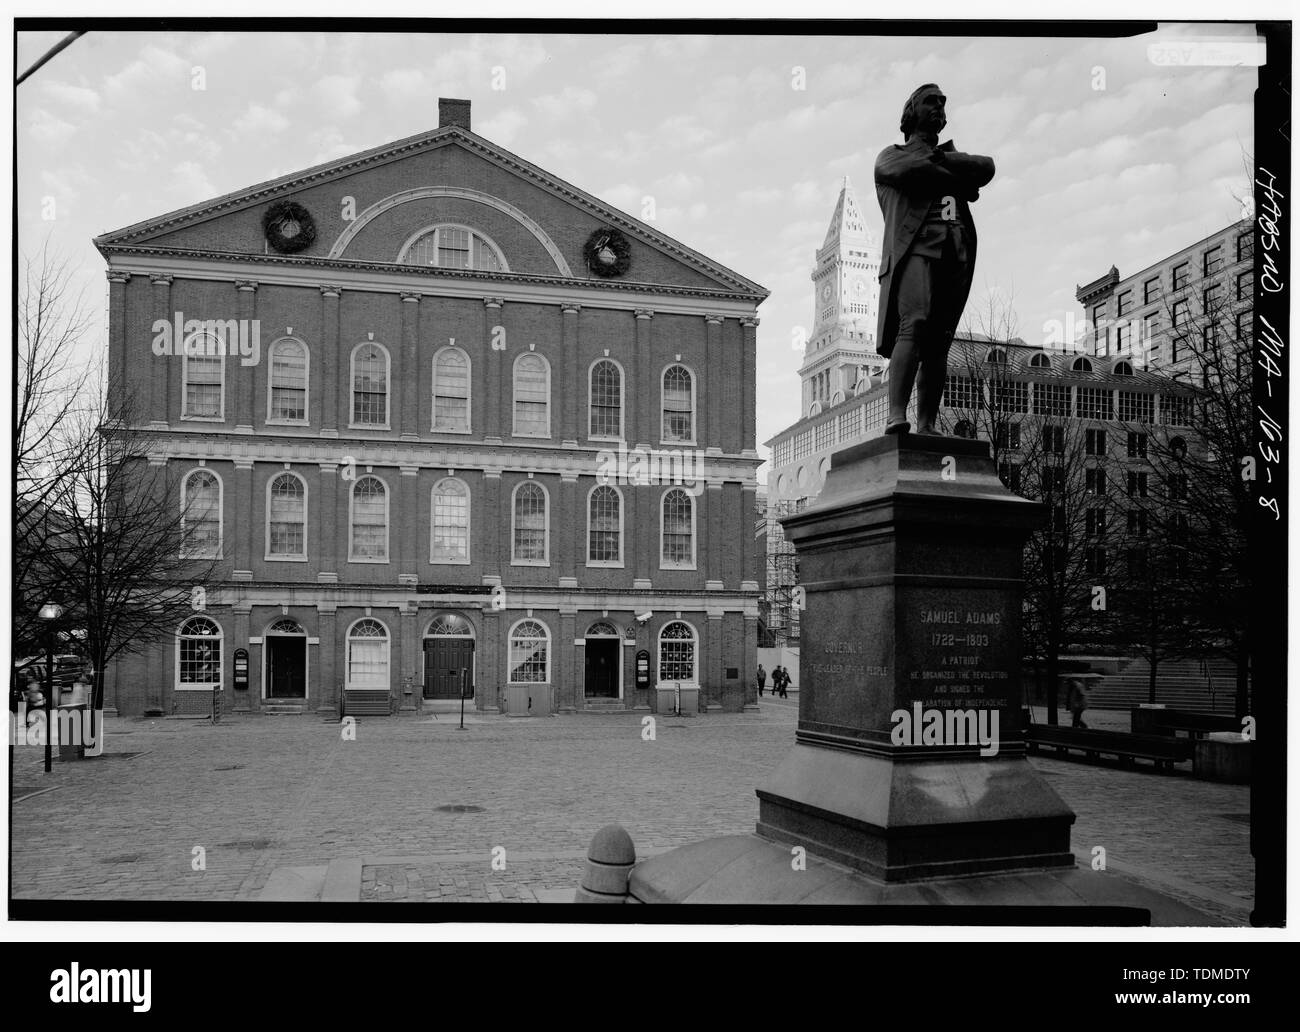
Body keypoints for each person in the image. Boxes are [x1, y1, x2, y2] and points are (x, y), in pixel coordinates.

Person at [874, 84, 995, 435]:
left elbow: (986, 167)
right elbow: (910, 171)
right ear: (911, 111)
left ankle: (927, 425)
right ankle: (897, 416)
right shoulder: (891, 155)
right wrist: (958, 175)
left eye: (943, 102)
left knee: (940, 340)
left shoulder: (948, 156)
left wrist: (950, 164)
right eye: (931, 100)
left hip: (955, 252)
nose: (940, 105)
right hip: (917, 249)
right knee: (915, 322)